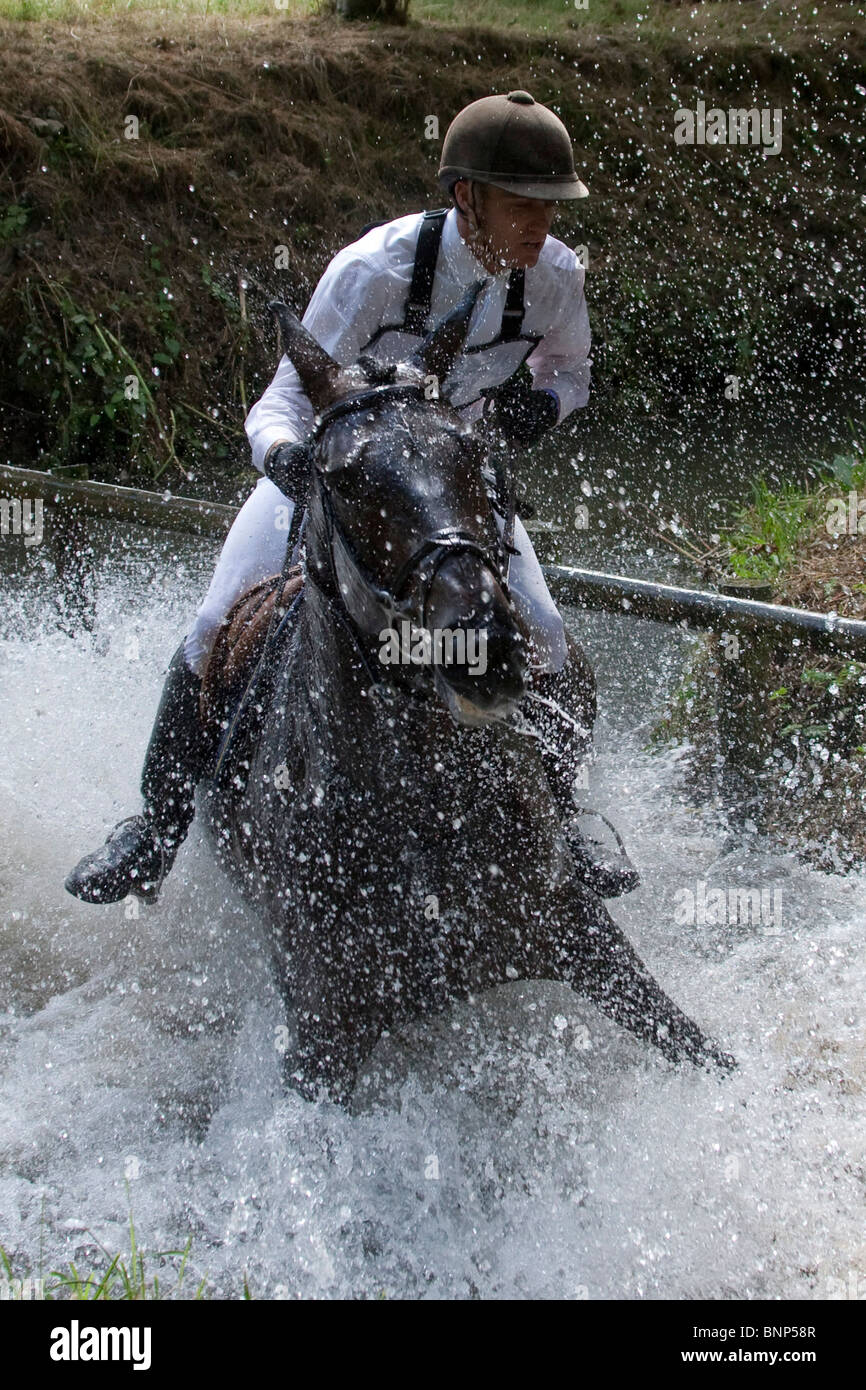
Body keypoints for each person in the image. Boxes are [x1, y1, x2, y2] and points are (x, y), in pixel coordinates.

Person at [65, 89, 638, 906]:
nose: (541, 228)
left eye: (552, 208)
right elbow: (277, 403)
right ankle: (154, 830)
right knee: (210, 624)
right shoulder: (375, 270)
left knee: (544, 637)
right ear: (465, 195)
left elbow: (570, 371)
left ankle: (560, 820)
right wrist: (292, 465)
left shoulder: (554, 277)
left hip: (449, 496)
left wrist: (544, 404)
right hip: (334, 480)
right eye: (523, 206)